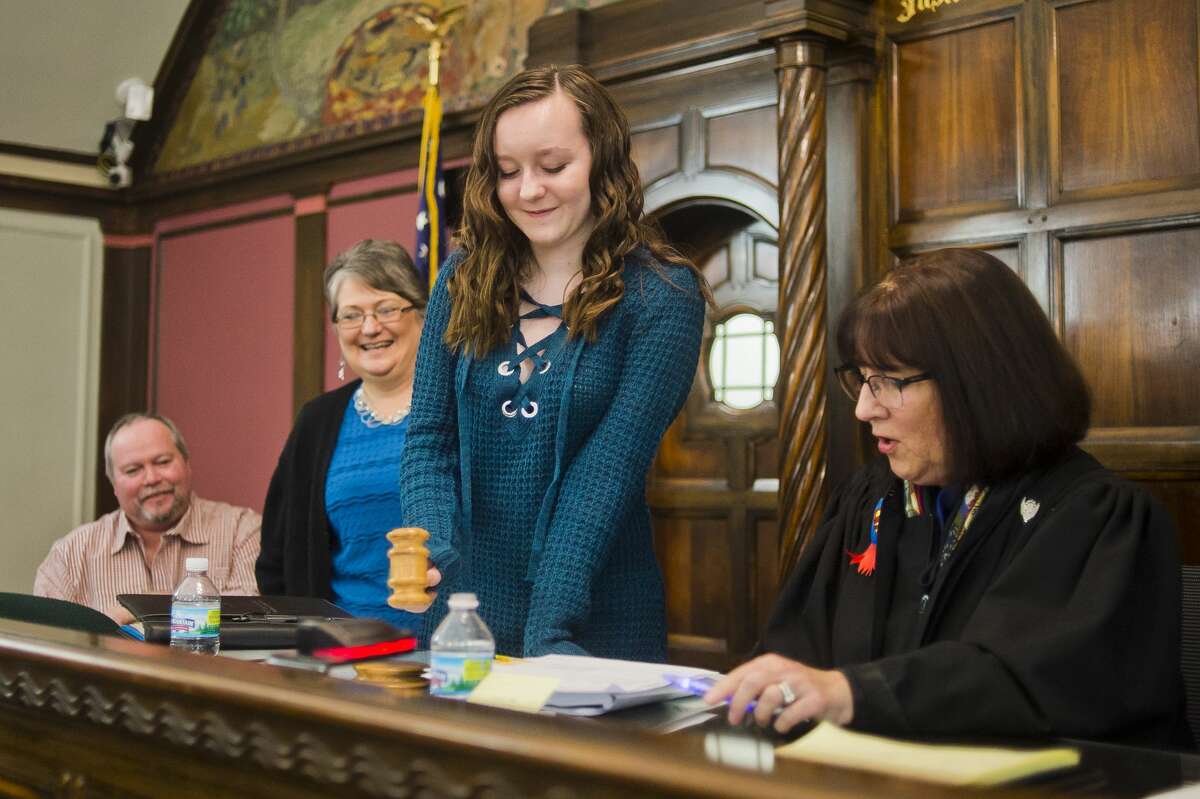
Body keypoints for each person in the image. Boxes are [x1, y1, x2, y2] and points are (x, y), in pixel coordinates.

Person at [706, 248, 1187, 748]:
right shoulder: (873, 500)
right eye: (863, 381)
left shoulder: (1097, 518)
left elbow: (1033, 686)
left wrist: (853, 693)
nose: (866, 409)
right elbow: (796, 653)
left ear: (980, 384)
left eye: (889, 381)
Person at [401, 65, 710, 659]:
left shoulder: (662, 297)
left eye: (553, 166)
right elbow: (429, 439)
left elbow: (606, 474)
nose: (528, 191)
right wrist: (430, 550)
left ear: (604, 159)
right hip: (460, 619)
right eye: (508, 171)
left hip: (593, 620)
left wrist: (551, 634)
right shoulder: (459, 281)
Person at [257, 239, 437, 631]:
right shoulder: (316, 422)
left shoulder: (458, 408)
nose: (370, 328)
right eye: (352, 316)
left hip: (452, 653)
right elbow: (277, 555)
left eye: (387, 309)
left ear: (421, 315)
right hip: (342, 660)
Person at [35, 413, 261, 623]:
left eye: (163, 462)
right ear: (113, 484)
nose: (152, 478)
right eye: (133, 470)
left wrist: (138, 610)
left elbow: (253, 618)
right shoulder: (70, 555)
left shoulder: (242, 531)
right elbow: (47, 644)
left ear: (187, 464)